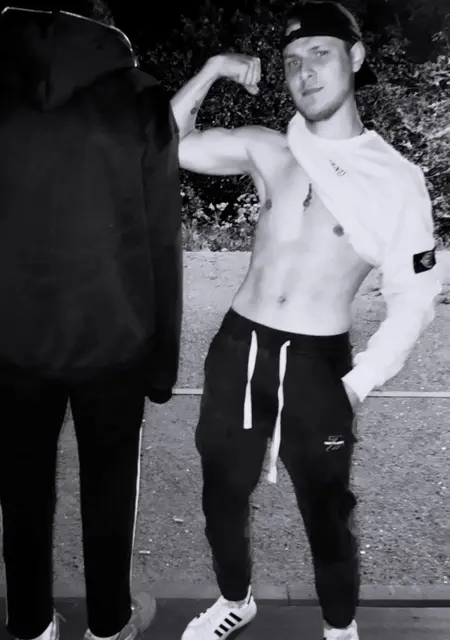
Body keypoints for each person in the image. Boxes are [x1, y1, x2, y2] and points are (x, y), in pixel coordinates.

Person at [170, 1, 441, 639]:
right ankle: (235, 599)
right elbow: (169, 144)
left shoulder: (394, 180)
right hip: (239, 345)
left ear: (356, 57)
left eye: (320, 53)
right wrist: (212, 69)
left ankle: (339, 628)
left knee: (326, 508)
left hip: (319, 363)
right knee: (220, 493)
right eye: (292, 61)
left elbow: (415, 297)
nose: (305, 72)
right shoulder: (272, 149)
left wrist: (360, 381)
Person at [0, 2, 182, 640]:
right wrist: (162, 362)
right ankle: (108, 624)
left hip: (14, 344)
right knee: (109, 486)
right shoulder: (139, 97)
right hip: (114, 339)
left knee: (21, 491)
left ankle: (30, 625)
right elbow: (162, 235)